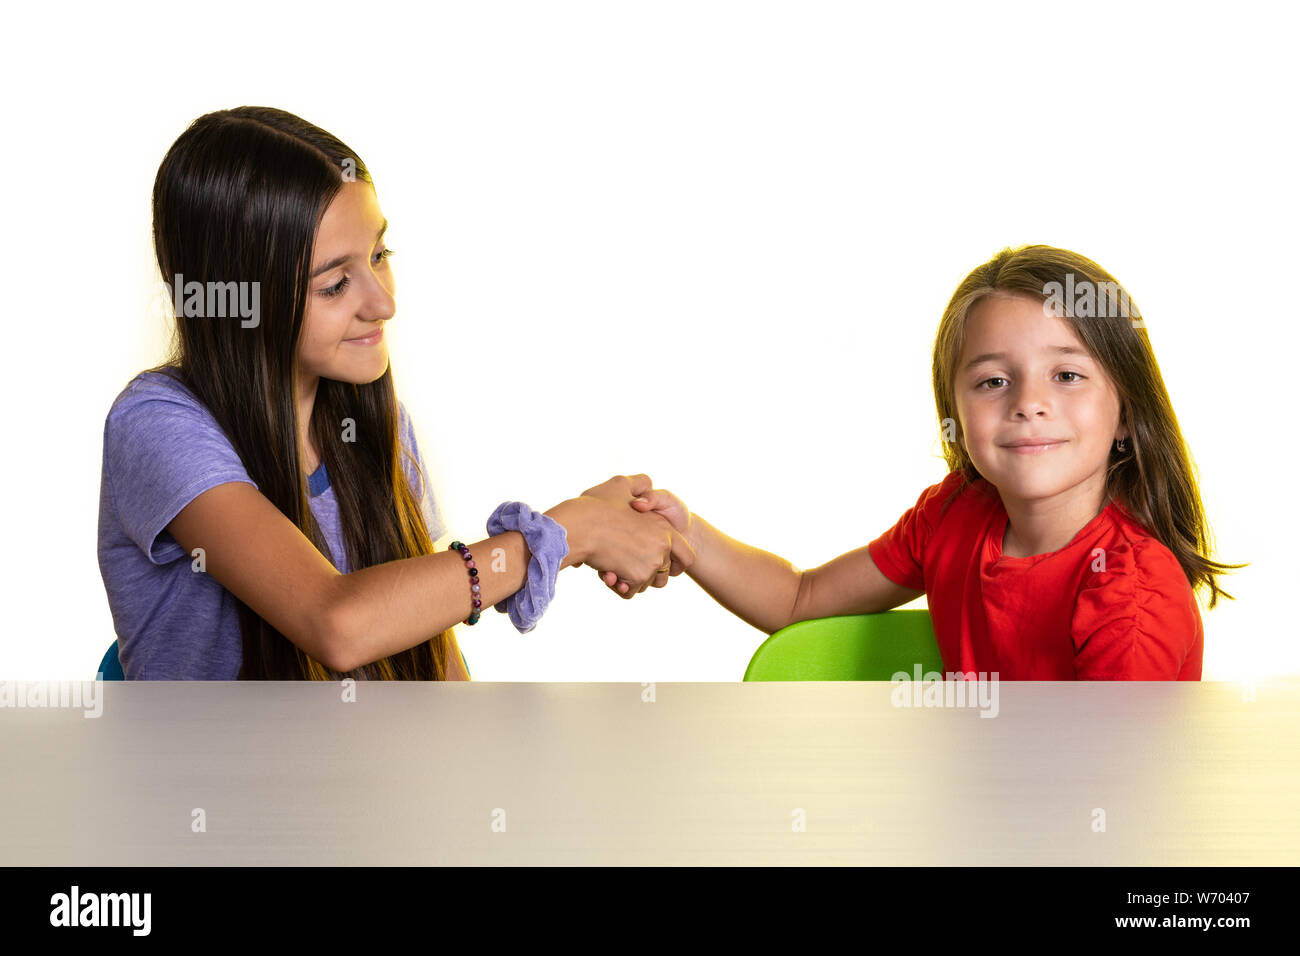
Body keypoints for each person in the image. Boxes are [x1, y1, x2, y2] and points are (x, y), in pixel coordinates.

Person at [97, 106, 691, 680]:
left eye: (379, 255)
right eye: (334, 285)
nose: (384, 303)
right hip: (205, 784)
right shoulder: (156, 424)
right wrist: (569, 533)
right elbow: (338, 623)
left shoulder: (373, 423)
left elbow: (429, 655)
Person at [612, 245, 1246, 679]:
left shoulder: (1130, 596)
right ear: (957, 414)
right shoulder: (954, 516)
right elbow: (798, 599)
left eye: (1067, 374)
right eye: (993, 381)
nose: (1029, 403)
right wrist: (686, 533)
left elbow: (1113, 802)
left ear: (1128, 412)